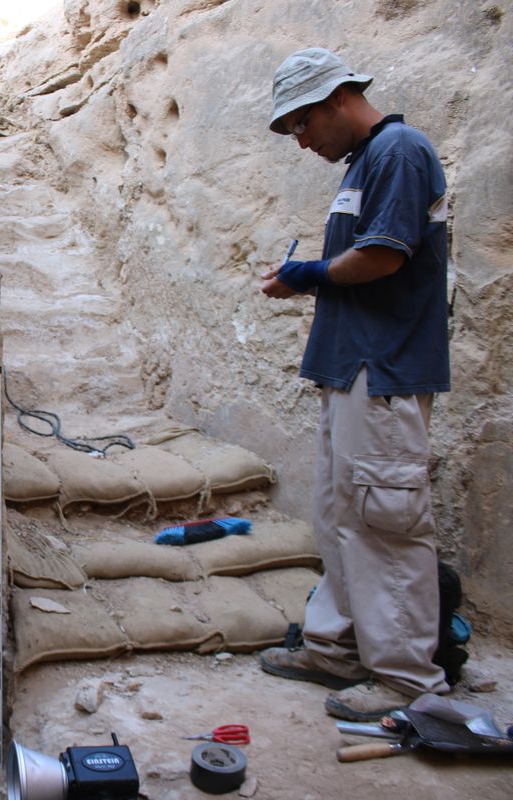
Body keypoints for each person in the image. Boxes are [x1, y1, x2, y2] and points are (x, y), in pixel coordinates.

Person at [256, 47, 451, 722]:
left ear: (339, 97)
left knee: (386, 522)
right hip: (352, 368)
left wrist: (308, 274)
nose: (301, 140)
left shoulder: (398, 150)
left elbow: (383, 256)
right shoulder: (365, 163)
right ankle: (335, 648)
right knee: (343, 516)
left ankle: (404, 680)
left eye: (303, 123)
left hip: (385, 371)